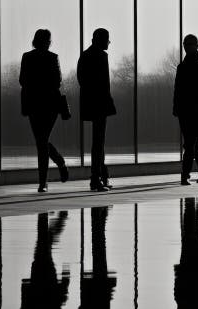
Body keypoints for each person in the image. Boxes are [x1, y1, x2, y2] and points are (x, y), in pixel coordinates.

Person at [20, 29, 69, 193]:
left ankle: (43, 182)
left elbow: (22, 80)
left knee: (41, 141)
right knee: (42, 141)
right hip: (49, 104)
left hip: (35, 104)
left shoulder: (27, 57)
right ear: (47, 41)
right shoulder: (52, 57)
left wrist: (35, 85)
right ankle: (58, 163)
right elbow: (57, 81)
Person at [78, 28, 116, 192]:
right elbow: (104, 84)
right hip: (100, 103)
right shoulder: (101, 56)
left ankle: (102, 175)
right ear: (101, 40)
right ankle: (96, 178)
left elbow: (81, 79)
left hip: (91, 102)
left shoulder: (85, 55)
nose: (109, 43)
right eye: (107, 40)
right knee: (99, 142)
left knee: (98, 141)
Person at [173, 34, 198, 186]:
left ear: (196, 46)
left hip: (192, 109)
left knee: (190, 143)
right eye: (185, 44)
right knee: (192, 142)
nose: (186, 47)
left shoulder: (190, 66)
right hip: (190, 109)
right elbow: (178, 89)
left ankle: (185, 174)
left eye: (189, 44)